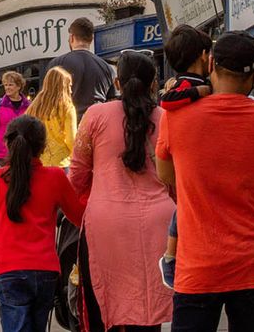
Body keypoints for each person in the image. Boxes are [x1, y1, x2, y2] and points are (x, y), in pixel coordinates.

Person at [156, 31, 254, 332]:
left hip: (198, 262)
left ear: (211, 63)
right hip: (251, 262)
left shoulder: (175, 117)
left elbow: (167, 177)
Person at [71, 50, 174, 332]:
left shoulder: (96, 115)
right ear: (154, 84)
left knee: (104, 306)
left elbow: (77, 173)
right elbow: (177, 178)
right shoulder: (166, 118)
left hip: (106, 220)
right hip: (159, 222)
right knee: (148, 311)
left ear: (117, 83)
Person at [0, 115, 89, 332]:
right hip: (45, 272)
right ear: (43, 147)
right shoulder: (55, 177)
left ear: (7, 143)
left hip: (9, 272)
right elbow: (80, 217)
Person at [156, 23, 213, 289]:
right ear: (203, 55)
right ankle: (170, 256)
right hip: (188, 162)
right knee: (184, 209)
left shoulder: (207, 82)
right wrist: (195, 93)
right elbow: (168, 100)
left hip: (197, 157)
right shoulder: (186, 84)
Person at [49, 17, 116, 116]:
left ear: (71, 38)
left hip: (67, 125)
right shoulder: (107, 68)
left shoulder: (57, 64)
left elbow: (49, 100)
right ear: (91, 39)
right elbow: (111, 103)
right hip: (97, 124)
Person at [26, 66, 78, 169]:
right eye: (69, 86)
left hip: (38, 163)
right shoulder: (67, 107)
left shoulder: (34, 107)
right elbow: (72, 140)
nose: (71, 91)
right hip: (62, 163)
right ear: (63, 86)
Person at [0, 71, 31, 162]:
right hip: (1, 153)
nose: (7, 88)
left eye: (10, 85)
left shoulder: (29, 106)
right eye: (5, 85)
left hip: (23, 152)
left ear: (19, 86)